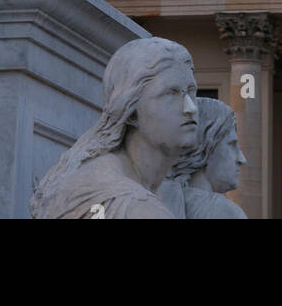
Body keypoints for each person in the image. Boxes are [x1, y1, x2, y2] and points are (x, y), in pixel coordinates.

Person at [30, 38, 199, 219]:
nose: (191, 108)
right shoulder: (136, 207)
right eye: (170, 93)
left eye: (191, 91)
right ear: (131, 111)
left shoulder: (130, 187)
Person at [159, 98, 247, 219]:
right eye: (231, 144)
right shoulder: (224, 211)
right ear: (205, 147)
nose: (241, 159)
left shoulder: (153, 202)